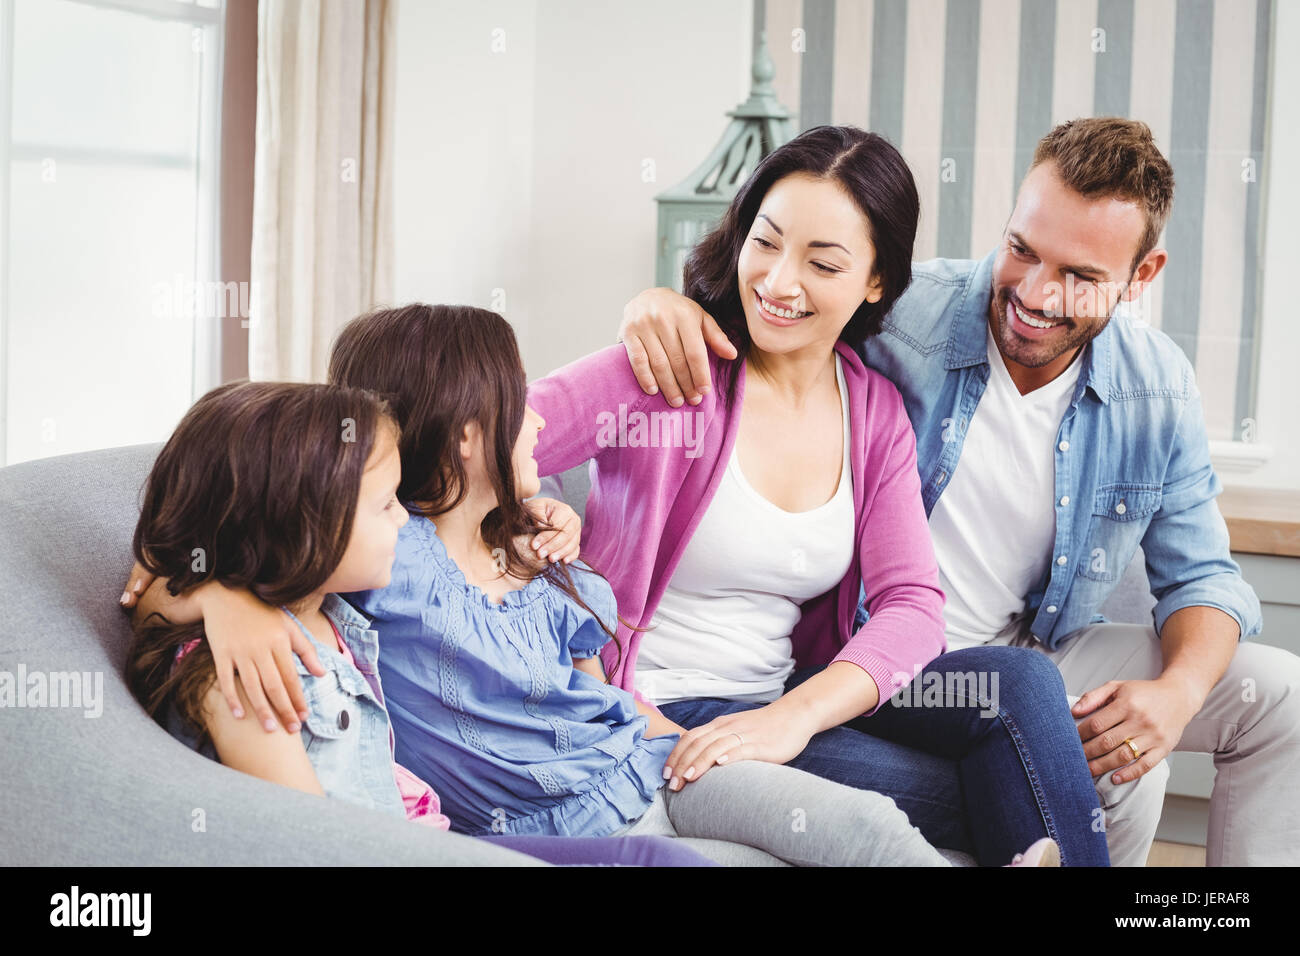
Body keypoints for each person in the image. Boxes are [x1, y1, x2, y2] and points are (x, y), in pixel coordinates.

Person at [127, 305, 1059, 866]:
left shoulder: (520, 550)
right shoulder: (381, 570)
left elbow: (590, 688)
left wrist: (669, 723)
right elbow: (193, 566)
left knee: (865, 825)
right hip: (548, 812)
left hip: (651, 754)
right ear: (462, 440)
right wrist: (220, 600)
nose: (540, 425)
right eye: (517, 409)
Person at [617, 117, 1300, 866]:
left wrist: (1178, 693)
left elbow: (1202, 575)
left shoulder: (1157, 387)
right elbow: (768, 325)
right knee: (1023, 701)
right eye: (1021, 250)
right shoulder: (905, 315)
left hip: (1031, 654)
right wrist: (661, 303)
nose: (1035, 294)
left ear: (1142, 276)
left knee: (1281, 696)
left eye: (1078, 276)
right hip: (878, 659)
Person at [526, 125, 1108, 866]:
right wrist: (525, 520)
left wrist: (793, 718)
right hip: (671, 706)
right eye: (764, 242)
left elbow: (911, 605)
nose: (777, 282)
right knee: (996, 794)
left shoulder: (871, 410)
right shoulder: (670, 368)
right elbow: (479, 433)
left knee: (1020, 684)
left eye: (821, 262)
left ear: (875, 282)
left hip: (784, 694)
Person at [124, 379, 715, 867]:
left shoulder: (329, 609)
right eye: (386, 507)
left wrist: (220, 599)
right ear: (303, 525)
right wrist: (220, 602)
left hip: (431, 837)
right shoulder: (249, 675)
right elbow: (308, 842)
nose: (406, 523)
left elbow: (165, 592)